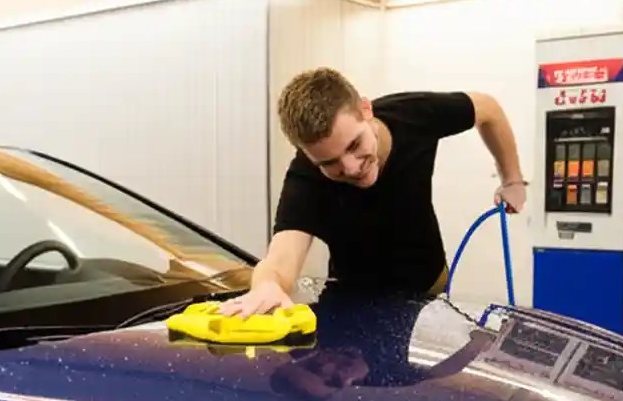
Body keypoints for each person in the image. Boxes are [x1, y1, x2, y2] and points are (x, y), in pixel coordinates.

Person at [220, 67, 527, 318]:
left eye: (354, 145)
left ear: (365, 109)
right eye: (330, 162)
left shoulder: (415, 114)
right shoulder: (306, 178)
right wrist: (266, 286)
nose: (351, 168)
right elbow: (280, 260)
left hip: (429, 290)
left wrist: (512, 178)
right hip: (353, 303)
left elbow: (488, 109)